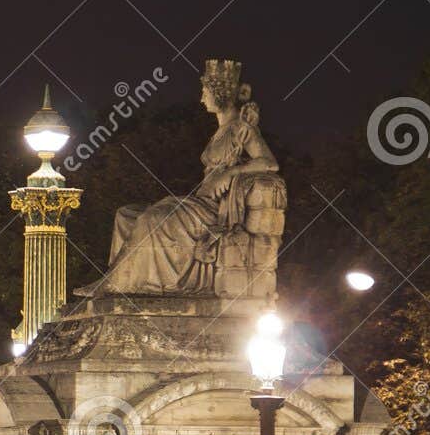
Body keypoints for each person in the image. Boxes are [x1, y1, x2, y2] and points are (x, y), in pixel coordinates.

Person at [77, 60, 280, 298]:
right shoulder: (220, 130)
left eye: (205, 92)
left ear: (220, 94)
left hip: (212, 210)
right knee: (126, 215)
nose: (202, 99)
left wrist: (230, 172)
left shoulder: (242, 129)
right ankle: (120, 280)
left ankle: (119, 286)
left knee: (152, 218)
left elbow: (269, 163)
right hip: (198, 203)